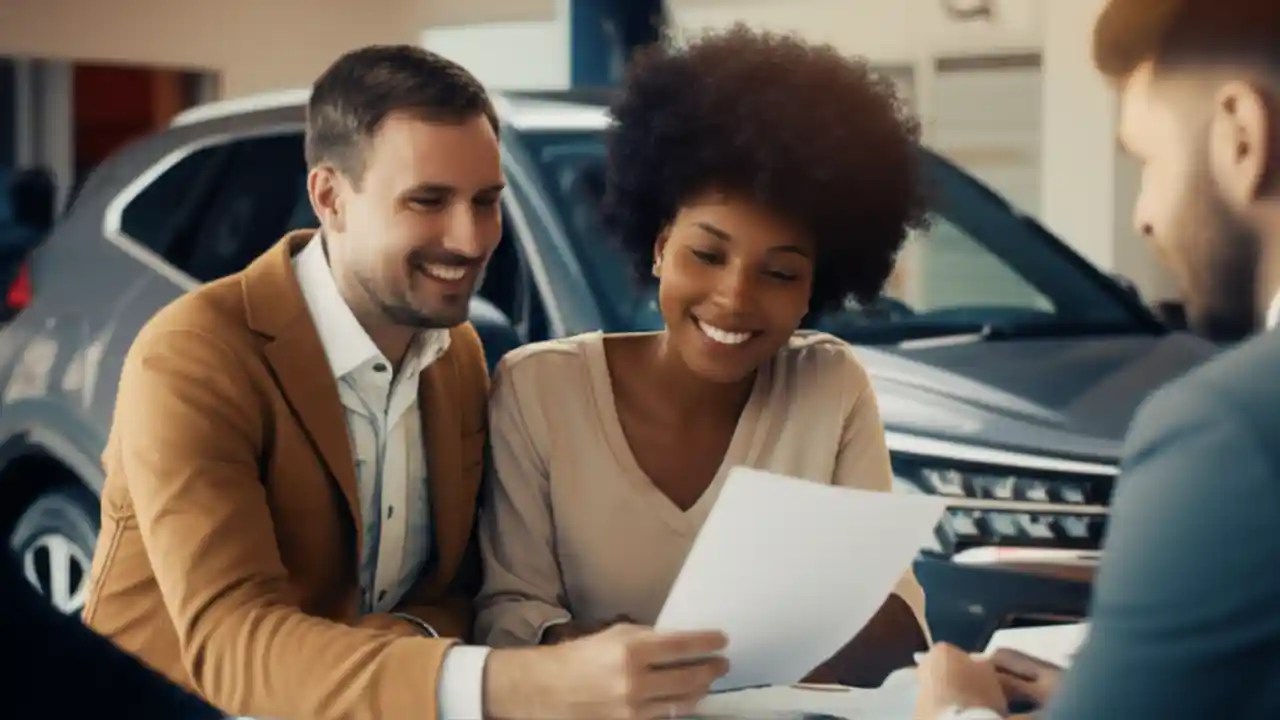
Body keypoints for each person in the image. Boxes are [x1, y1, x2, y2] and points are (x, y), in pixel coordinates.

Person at [81, 44, 728, 720]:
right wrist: (527, 683)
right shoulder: (194, 355)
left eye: (486, 201)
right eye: (428, 201)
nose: (471, 238)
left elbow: (455, 590)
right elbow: (232, 646)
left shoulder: (458, 355)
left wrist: (562, 649)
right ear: (330, 198)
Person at [475, 24, 932, 688]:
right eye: (708, 254)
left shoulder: (829, 386)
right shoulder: (540, 390)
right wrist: (611, 661)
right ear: (660, 245)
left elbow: (893, 622)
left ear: (816, 287)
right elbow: (509, 618)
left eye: (779, 274)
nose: (734, 298)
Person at [914, 0, 1280, 717]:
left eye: (1147, 161)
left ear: (1242, 136)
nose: (1144, 213)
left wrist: (958, 710)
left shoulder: (1231, 431)